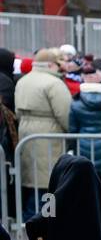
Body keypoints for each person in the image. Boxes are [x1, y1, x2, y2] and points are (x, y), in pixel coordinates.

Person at [14, 48, 73, 222]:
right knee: (48, 181)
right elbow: (65, 113)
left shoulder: (23, 81)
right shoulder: (54, 83)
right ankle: (46, 221)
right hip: (50, 135)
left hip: (26, 132)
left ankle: (29, 218)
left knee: (31, 179)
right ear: (50, 64)